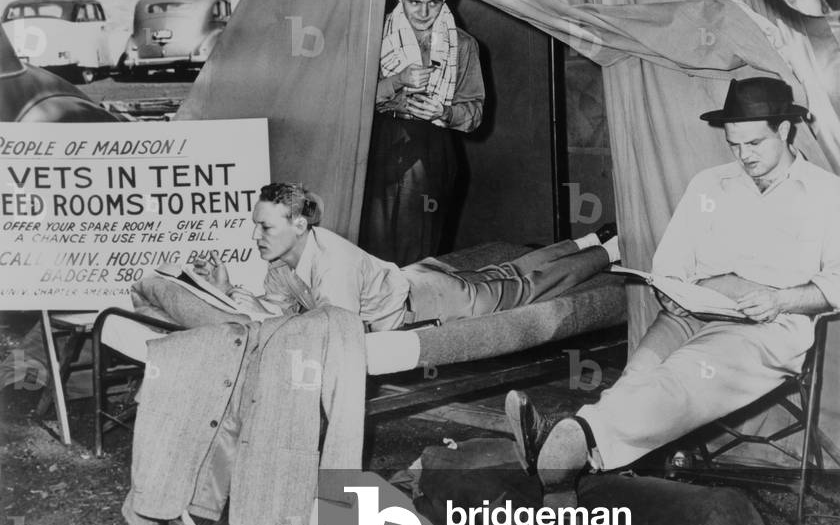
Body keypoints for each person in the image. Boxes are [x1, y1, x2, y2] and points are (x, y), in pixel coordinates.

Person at [506, 77, 840, 498]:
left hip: (767, 325)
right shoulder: (709, 184)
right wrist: (669, 291)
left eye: (754, 143)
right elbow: (672, 260)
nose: (743, 156)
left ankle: (571, 440)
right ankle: (571, 468)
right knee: (638, 377)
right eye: (734, 145)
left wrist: (780, 299)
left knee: (679, 379)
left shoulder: (826, 194)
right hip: (691, 312)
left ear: (785, 130)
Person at [131, 182, 620, 332]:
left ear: (299, 225)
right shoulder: (281, 261)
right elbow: (276, 309)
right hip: (412, 279)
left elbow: (336, 332)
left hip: (430, 298)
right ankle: (584, 241)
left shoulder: (331, 262)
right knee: (506, 270)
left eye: (265, 226)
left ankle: (604, 251)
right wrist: (225, 289)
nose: (255, 234)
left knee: (524, 287)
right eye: (256, 224)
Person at [358, 0, 485, 265]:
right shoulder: (371, 37)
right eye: (414, 2)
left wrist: (446, 113)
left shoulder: (464, 45)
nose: (424, 12)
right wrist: (397, 80)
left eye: (433, 3)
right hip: (379, 140)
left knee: (422, 246)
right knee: (371, 246)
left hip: (434, 145)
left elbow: (475, 113)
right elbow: (348, 101)